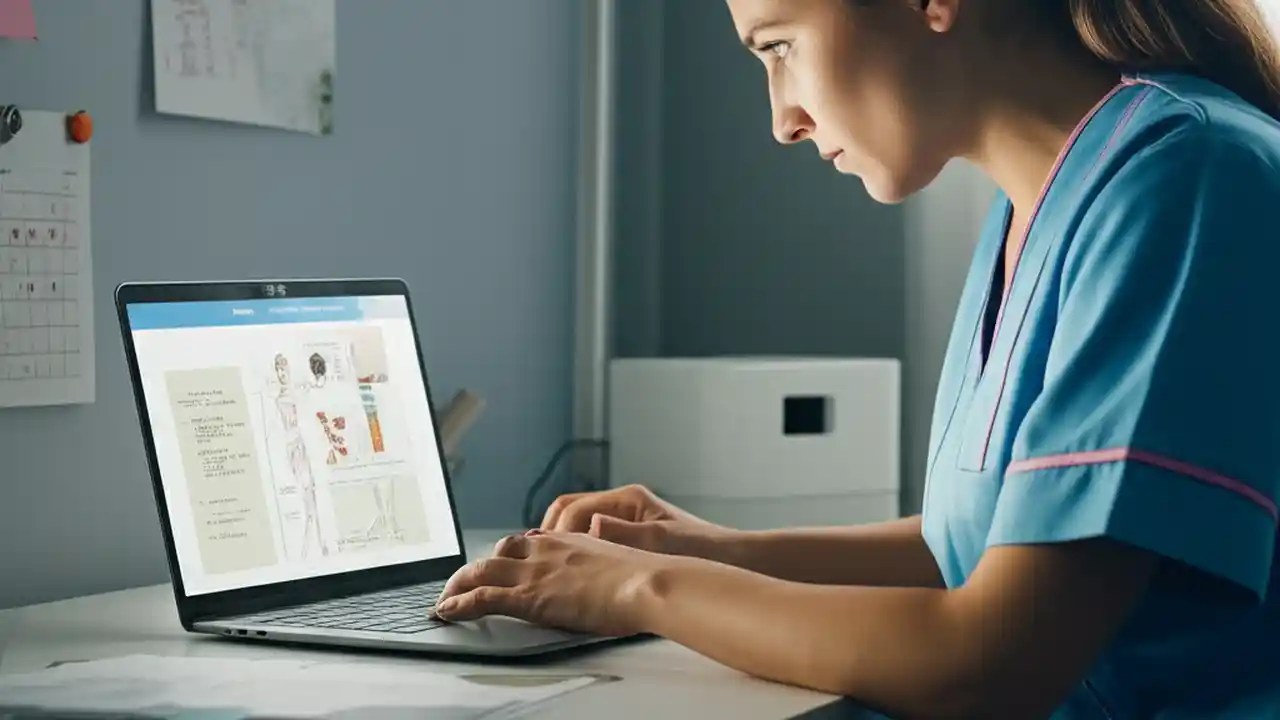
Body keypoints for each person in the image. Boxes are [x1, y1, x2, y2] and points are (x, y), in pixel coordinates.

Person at [434, 0, 1280, 717]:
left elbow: (994, 660)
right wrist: (707, 549)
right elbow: (985, 548)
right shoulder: (1041, 203)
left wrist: (634, 591)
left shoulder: (1186, 177)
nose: (781, 120)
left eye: (780, 47)